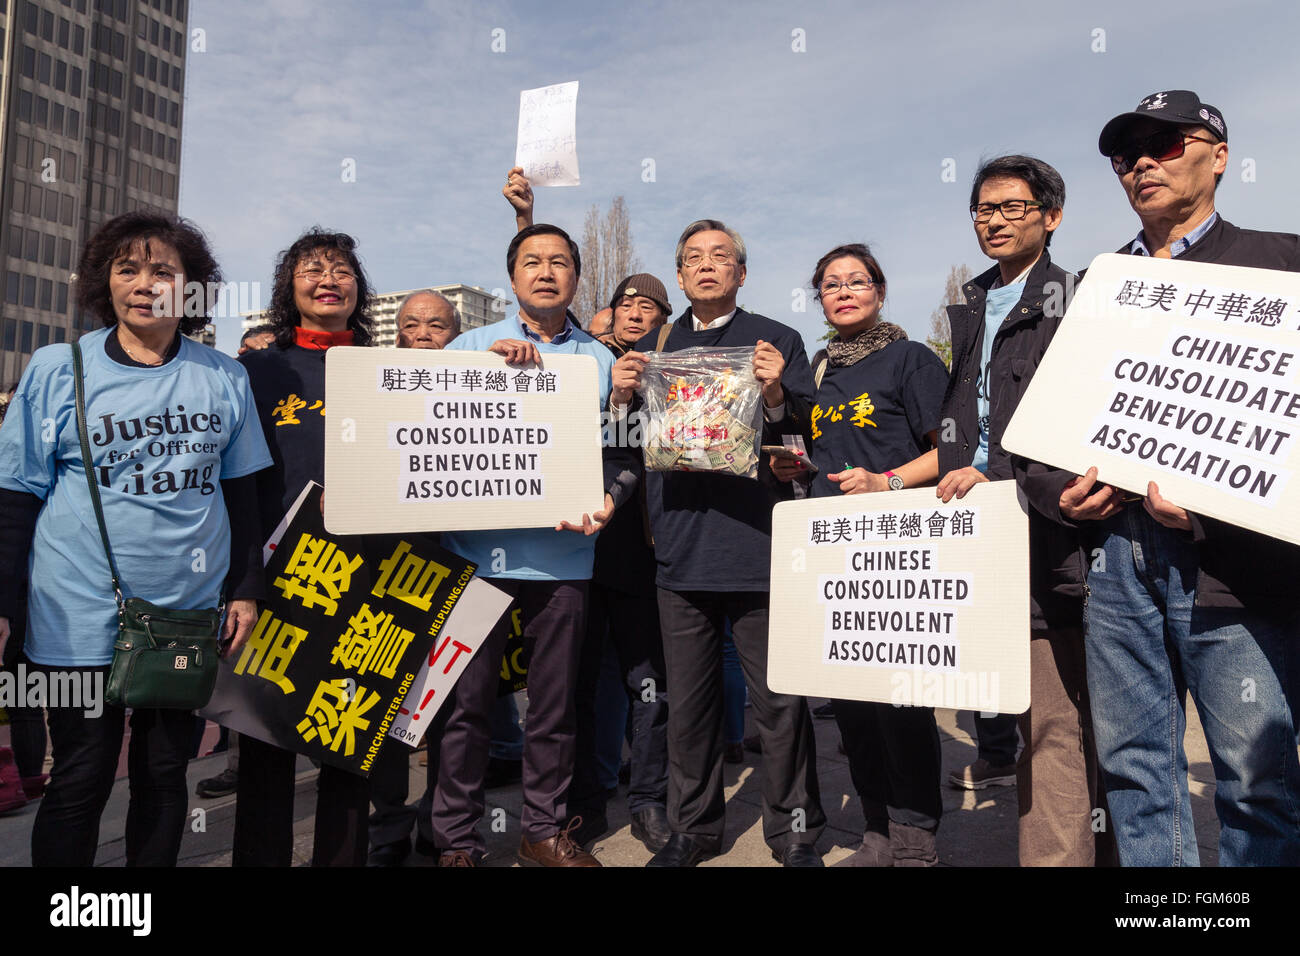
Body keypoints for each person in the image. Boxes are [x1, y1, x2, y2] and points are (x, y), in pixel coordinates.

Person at [1069, 90, 1300, 865]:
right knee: (1135, 773)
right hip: (1113, 561)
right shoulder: (1096, 285)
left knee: (1254, 779)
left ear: (1220, 156)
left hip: (1233, 569)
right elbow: (1041, 428)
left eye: (1166, 145)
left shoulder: (1282, 263)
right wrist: (1058, 494)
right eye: (1125, 154)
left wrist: (1211, 508)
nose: (1141, 163)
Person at [0, 211, 270, 865]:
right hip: (74, 614)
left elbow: (243, 496)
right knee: (81, 779)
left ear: (192, 288)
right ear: (104, 282)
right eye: (127, 269)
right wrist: (5, 606)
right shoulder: (57, 369)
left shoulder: (226, 376)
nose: (144, 283)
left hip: (184, 613)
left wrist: (244, 589)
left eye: (163, 271)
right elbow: (15, 498)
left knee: (162, 774)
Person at [610, 219, 826, 867]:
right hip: (678, 549)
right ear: (679, 277)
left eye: (721, 257)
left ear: (741, 272)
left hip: (758, 545)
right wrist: (619, 400)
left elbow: (806, 443)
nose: (707, 267)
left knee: (781, 705)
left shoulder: (777, 339)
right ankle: (693, 828)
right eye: (694, 259)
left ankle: (793, 830)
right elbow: (620, 447)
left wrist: (778, 395)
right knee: (691, 707)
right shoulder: (652, 345)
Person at [430, 222, 631, 867]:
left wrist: (612, 500)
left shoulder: (601, 362)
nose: (546, 272)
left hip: (565, 558)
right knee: (465, 708)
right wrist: (496, 380)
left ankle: (542, 829)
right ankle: (456, 841)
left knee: (554, 708)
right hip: (473, 560)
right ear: (512, 276)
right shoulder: (468, 349)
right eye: (532, 261)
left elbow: (626, 450)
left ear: (575, 277)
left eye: (560, 263)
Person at [934, 155, 1115, 866]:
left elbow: (1077, 420)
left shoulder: (1080, 298)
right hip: (987, 540)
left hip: (1058, 536)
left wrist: (1001, 477)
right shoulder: (972, 307)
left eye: (1012, 207)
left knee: (1069, 727)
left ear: (1052, 217)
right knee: (1039, 718)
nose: (995, 221)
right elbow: (966, 426)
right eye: (983, 209)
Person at [771, 243, 949, 865]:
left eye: (857, 281)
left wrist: (888, 483)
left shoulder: (911, 358)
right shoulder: (819, 373)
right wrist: (800, 465)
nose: (843, 291)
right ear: (819, 298)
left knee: (900, 700)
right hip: (832, 550)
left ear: (879, 290)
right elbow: (827, 452)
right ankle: (876, 832)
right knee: (849, 699)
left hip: (897, 547)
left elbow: (950, 450)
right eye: (830, 284)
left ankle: (915, 842)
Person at [234, 228, 379, 867]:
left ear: (358, 286)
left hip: (366, 575)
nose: (328, 280)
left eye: (341, 269)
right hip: (279, 573)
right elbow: (236, 481)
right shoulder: (258, 370)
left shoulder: (392, 370)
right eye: (312, 269)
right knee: (265, 740)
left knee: (347, 742)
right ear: (288, 288)